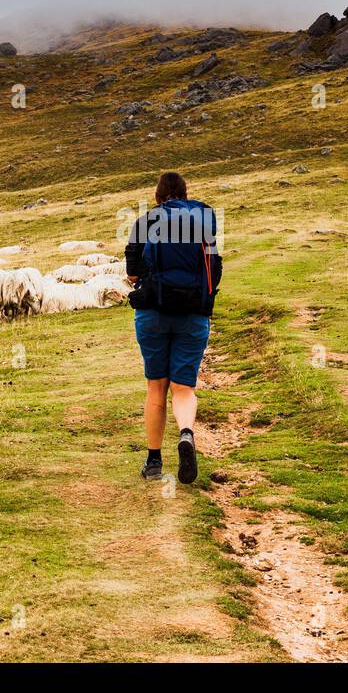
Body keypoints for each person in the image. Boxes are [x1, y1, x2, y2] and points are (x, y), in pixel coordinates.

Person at [125, 171, 222, 484]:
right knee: (183, 388)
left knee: (156, 387)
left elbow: (132, 273)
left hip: (153, 313)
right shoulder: (204, 220)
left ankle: (154, 461)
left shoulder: (145, 222)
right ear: (185, 193)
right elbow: (214, 268)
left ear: (158, 197)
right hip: (193, 314)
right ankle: (186, 433)